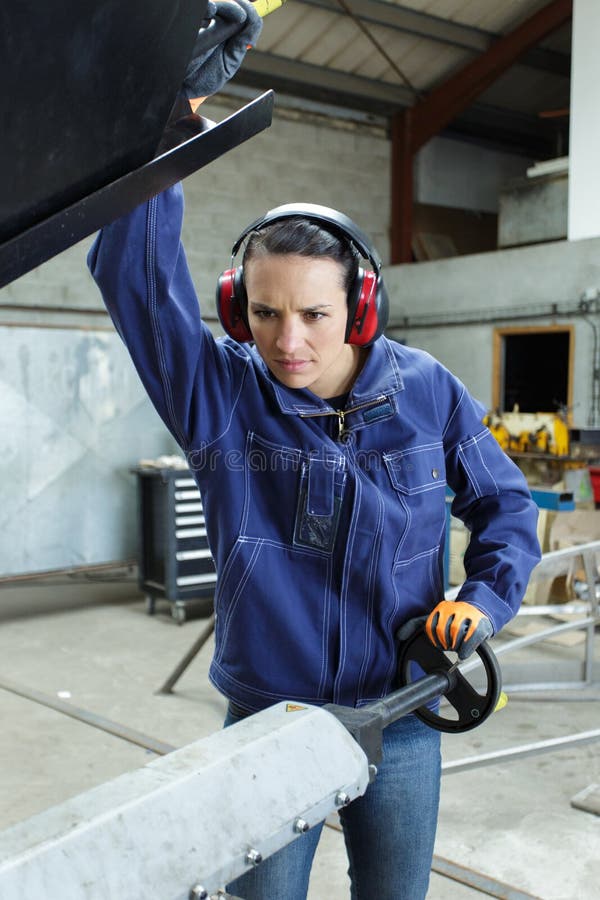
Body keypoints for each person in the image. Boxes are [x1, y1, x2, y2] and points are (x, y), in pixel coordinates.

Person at [87, 5, 541, 898]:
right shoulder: (220, 396)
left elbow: (507, 507)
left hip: (402, 713)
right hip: (267, 719)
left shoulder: (426, 391)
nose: (287, 340)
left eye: (314, 314)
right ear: (237, 308)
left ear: (361, 309)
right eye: (263, 313)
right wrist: (165, 116)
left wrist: (483, 599)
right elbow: (132, 273)